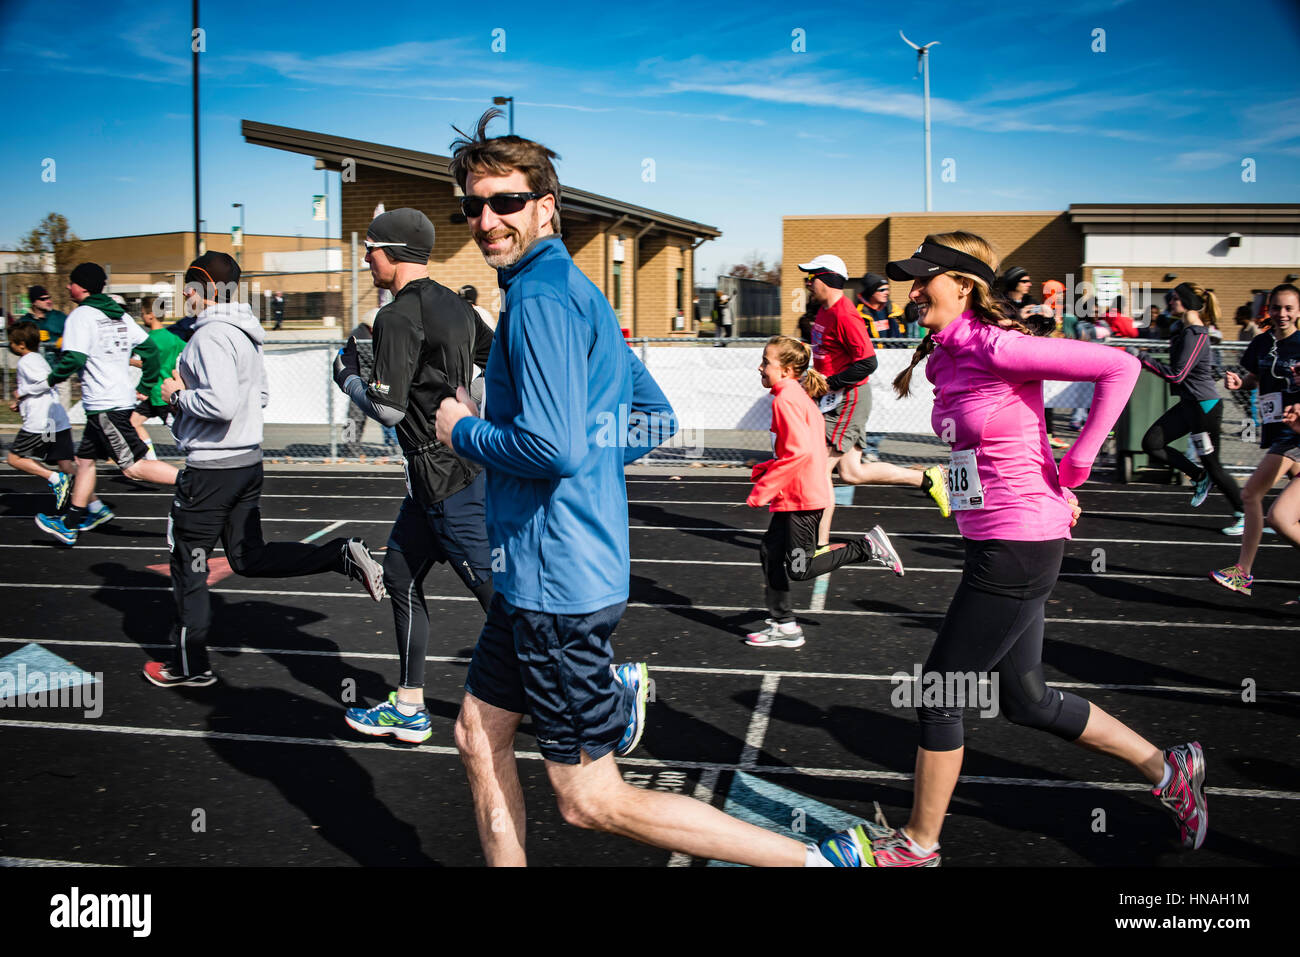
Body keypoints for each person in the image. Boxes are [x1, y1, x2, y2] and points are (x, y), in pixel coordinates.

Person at [435, 108, 819, 866]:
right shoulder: (572, 289)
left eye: (505, 201)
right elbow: (652, 416)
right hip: (541, 573)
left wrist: (462, 430)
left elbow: (549, 444)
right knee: (478, 733)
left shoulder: (540, 299)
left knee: (590, 801)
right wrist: (582, 469)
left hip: (557, 585)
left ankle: (819, 863)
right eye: (473, 205)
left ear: (546, 205)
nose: (486, 219)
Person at [820, 232, 1207, 866]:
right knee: (1026, 700)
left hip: (1017, 546)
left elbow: (1121, 366)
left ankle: (918, 846)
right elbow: (992, 445)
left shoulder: (999, 344)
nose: (913, 291)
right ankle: (1169, 770)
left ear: (965, 285)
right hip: (1000, 538)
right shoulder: (946, 355)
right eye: (911, 281)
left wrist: (1075, 466)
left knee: (939, 693)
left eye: (925, 279)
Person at [142, 252, 385, 688]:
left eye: (190, 286)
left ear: (209, 289)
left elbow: (220, 404)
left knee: (189, 563)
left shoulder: (211, 336)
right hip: (246, 465)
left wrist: (178, 397)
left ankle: (188, 665)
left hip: (212, 471)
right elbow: (260, 398)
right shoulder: (246, 334)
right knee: (247, 557)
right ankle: (339, 554)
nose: (183, 294)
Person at [331, 208, 496, 741]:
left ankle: (593, 695)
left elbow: (389, 412)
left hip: (449, 480)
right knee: (400, 576)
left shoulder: (396, 316)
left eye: (371, 248)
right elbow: (499, 361)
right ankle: (408, 706)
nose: (365, 256)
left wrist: (350, 377)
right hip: (435, 477)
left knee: (500, 599)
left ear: (393, 252)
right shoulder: (456, 304)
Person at [745, 335, 904, 648]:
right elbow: (801, 449)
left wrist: (764, 487)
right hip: (796, 492)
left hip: (802, 497)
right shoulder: (793, 394)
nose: (760, 367)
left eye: (766, 362)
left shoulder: (786, 398)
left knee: (801, 569)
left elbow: (799, 452)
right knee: (770, 552)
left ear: (788, 369)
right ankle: (785, 625)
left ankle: (867, 547)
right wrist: (769, 469)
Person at [799, 253, 949, 552]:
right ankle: (927, 479)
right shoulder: (824, 312)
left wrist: (829, 384)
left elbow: (867, 362)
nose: (807, 284)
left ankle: (819, 544)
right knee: (852, 472)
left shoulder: (845, 314)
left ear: (826, 279)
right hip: (834, 400)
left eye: (811, 278)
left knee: (819, 472)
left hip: (848, 400)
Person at [34, 263, 177, 545]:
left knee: (133, 467)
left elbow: (74, 359)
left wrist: (48, 381)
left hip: (106, 406)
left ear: (82, 286)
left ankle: (197, 484)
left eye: (71, 282)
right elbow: (149, 350)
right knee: (84, 462)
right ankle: (73, 521)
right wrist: (144, 386)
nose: (67, 287)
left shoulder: (81, 316)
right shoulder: (119, 315)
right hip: (112, 403)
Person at [1210, 283, 1300, 585]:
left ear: (1298, 311)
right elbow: (1254, 378)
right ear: (1269, 310)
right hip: (1277, 430)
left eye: (1288, 308)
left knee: (1251, 494)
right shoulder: (1262, 343)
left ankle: (1243, 572)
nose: (1282, 314)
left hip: (1295, 435)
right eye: (1276, 307)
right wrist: (1241, 385)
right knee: (1286, 517)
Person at [1137, 283, 1243, 518]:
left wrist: (1142, 358)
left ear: (1186, 302)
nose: (1170, 302)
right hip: (1189, 404)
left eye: (1174, 298)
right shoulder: (1185, 332)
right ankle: (1198, 476)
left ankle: (1244, 513)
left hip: (1204, 409)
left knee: (1213, 465)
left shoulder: (1195, 334)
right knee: (1152, 443)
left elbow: (1176, 374)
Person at [5, 321, 73, 509]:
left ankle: (55, 479)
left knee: (14, 459)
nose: (10, 345)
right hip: (54, 420)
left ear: (21, 345)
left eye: (11, 342)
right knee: (64, 463)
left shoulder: (26, 361)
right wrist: (21, 402)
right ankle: (91, 505)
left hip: (40, 422)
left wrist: (21, 392)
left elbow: (45, 382)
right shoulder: (38, 358)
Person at [128, 297, 185, 460]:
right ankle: (151, 460)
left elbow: (149, 365)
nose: (142, 317)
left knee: (179, 433)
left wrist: (130, 361)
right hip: (157, 393)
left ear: (151, 315)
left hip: (161, 395)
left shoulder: (149, 339)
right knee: (134, 422)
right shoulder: (173, 338)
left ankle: (197, 460)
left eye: (143, 314)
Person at [854, 273, 901, 461]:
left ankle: (870, 447)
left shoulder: (894, 310)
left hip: (891, 366)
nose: (886, 292)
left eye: (887, 289)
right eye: (881, 289)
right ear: (871, 291)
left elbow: (902, 336)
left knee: (887, 408)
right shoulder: (859, 312)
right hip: (869, 367)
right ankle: (868, 449)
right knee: (870, 408)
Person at [22, 285, 71, 410]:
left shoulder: (59, 317)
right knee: (41, 412)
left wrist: (63, 341)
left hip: (59, 371)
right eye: (43, 299)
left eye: (49, 298)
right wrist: (33, 340)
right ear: (34, 302)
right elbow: (15, 345)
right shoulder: (25, 322)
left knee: (62, 411)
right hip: (36, 375)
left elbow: (74, 335)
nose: (48, 301)